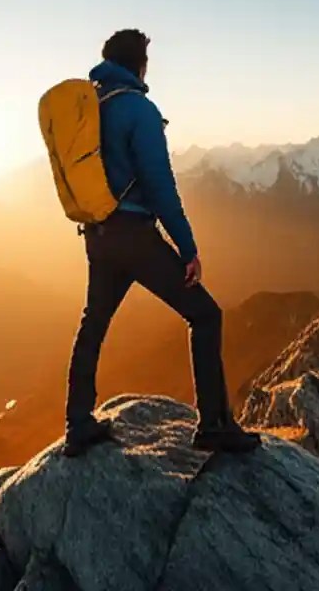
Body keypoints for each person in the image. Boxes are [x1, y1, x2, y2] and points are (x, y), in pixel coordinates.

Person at [62, 29, 262, 457]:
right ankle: (213, 424)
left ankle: (77, 423)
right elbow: (159, 186)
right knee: (205, 315)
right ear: (140, 65)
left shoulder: (88, 109)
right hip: (135, 236)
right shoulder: (139, 109)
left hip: (97, 236)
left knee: (92, 324)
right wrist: (187, 247)